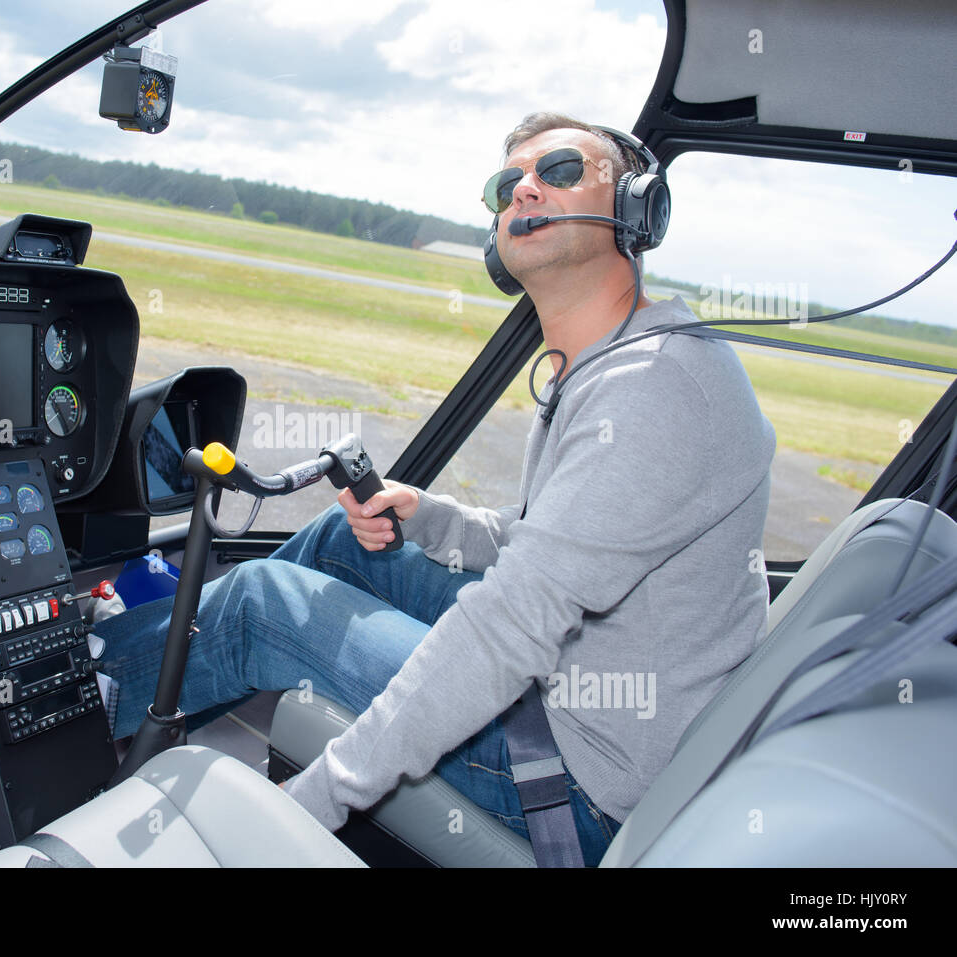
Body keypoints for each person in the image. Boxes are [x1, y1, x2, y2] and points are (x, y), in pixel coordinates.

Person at [93, 112, 775, 867]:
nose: (525, 191)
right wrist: (434, 519)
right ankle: (143, 665)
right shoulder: (618, 362)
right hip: (581, 692)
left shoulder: (654, 390)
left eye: (558, 171)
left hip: (580, 779)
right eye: (507, 184)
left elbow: (508, 626)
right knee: (336, 537)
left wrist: (308, 803)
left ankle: (77, 694)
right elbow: (555, 553)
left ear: (638, 207)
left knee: (264, 602)